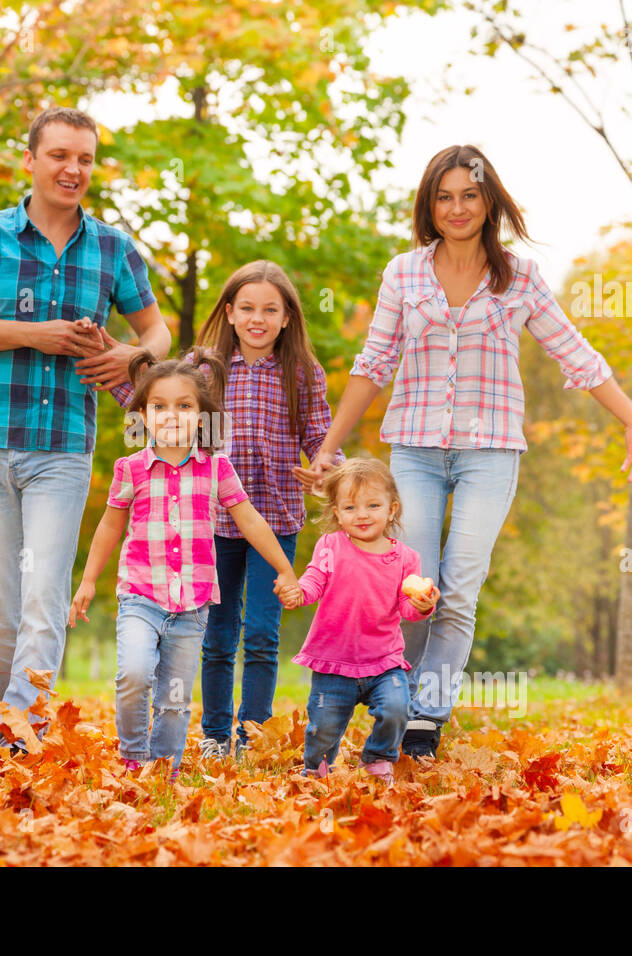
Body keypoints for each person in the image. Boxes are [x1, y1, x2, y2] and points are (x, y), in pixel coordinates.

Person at [295, 144, 632, 761]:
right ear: (428, 204)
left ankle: (424, 723)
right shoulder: (403, 274)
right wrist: (329, 447)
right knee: (412, 586)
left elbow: (575, 353)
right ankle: (389, 698)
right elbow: (373, 363)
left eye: (469, 194)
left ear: (488, 201)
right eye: (444, 195)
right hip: (415, 447)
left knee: (459, 590)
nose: (456, 207)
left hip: (490, 452)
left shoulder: (520, 278)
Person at [0, 106, 171, 750]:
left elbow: (157, 330)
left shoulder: (113, 248)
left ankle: (22, 729)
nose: (74, 169)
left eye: (85, 159)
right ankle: (19, 715)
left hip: (64, 447)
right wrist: (35, 334)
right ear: (32, 160)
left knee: (44, 595)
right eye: (61, 155)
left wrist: (132, 355)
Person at [106, 261, 345, 758]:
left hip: (274, 517)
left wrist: (328, 468)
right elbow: (155, 402)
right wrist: (110, 363)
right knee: (217, 633)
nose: (258, 318)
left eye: (270, 310)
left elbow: (319, 436)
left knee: (261, 632)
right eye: (248, 308)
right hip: (209, 520)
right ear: (231, 312)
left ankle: (252, 738)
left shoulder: (302, 371)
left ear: (286, 318)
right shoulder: (204, 366)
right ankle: (215, 737)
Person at [68, 350, 302, 781]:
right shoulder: (130, 469)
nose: (171, 415)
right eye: (159, 406)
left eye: (184, 405)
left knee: (174, 699)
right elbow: (109, 526)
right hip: (140, 593)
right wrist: (86, 582)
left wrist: (284, 569)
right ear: (141, 414)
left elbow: (249, 519)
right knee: (134, 673)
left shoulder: (216, 468)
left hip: (193, 606)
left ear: (201, 416)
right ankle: (134, 757)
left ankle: (163, 770)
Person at [277, 458, 440, 781]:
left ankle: (378, 757)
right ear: (337, 513)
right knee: (323, 724)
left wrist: (422, 606)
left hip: (384, 660)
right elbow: (314, 580)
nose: (362, 515)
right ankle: (317, 767)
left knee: (397, 708)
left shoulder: (406, 558)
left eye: (373, 505)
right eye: (350, 508)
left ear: (391, 509)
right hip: (333, 659)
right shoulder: (331, 546)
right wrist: (297, 592)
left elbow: (406, 609)